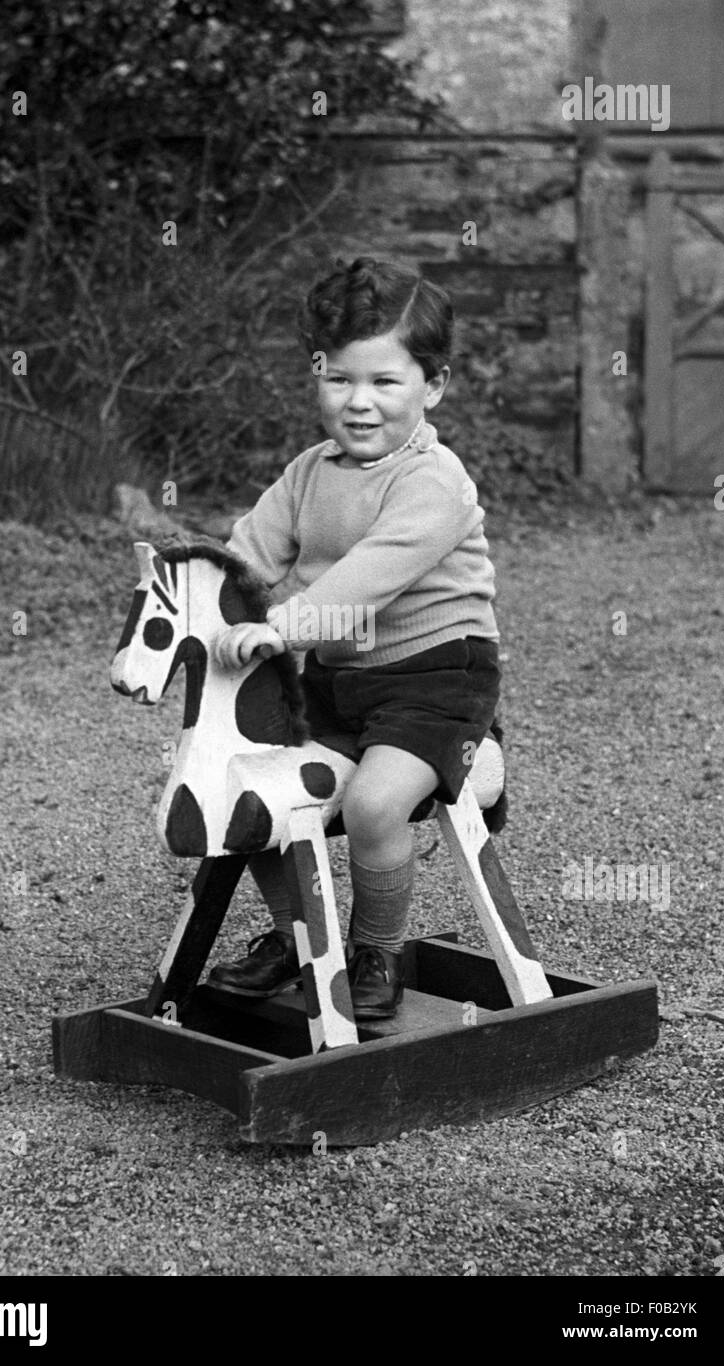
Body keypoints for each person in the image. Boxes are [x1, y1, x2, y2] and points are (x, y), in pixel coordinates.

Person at [207, 256, 501, 1019]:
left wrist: (279, 627)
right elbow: (246, 554)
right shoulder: (308, 473)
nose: (359, 403)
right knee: (253, 791)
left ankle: (376, 950)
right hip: (337, 687)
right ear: (316, 376)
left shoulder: (433, 483)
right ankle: (299, 937)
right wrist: (194, 592)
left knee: (374, 805)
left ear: (431, 385)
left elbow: (364, 582)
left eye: (383, 382)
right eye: (339, 380)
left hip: (436, 679)